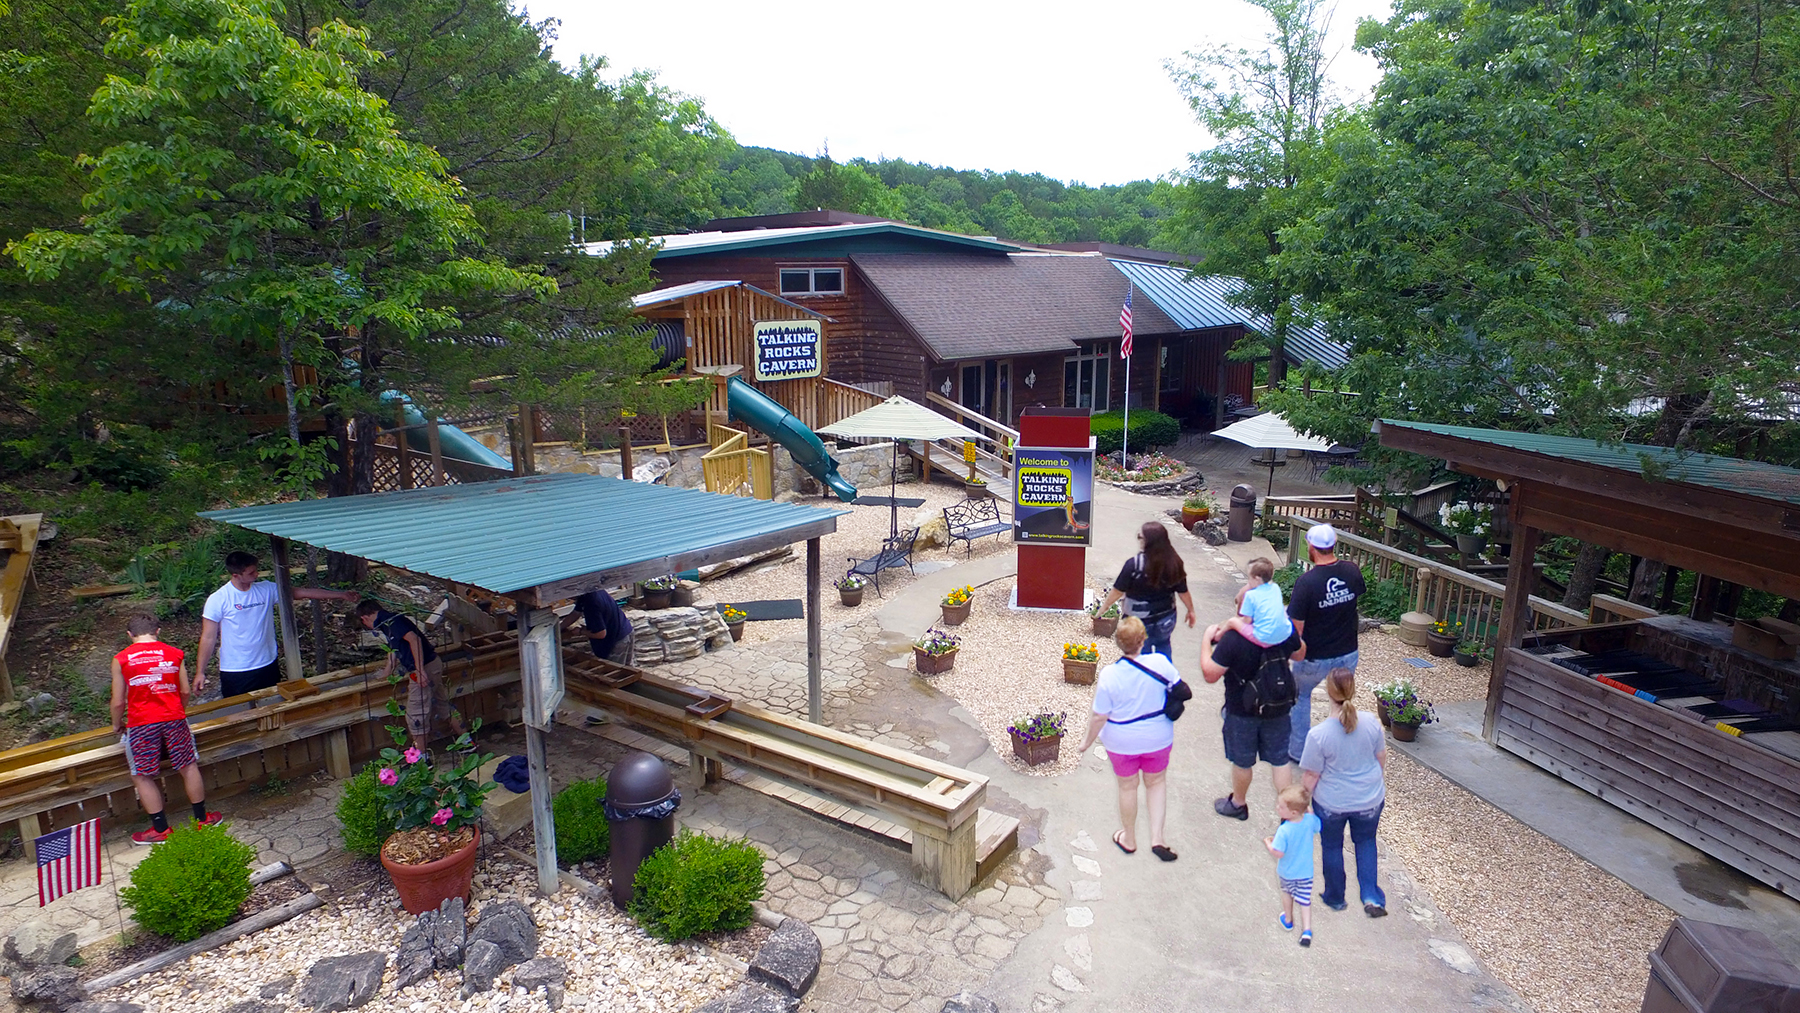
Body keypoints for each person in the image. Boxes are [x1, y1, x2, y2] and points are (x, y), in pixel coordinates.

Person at [1075, 617, 1190, 861]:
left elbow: (1100, 716)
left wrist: (1086, 742)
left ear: (1118, 643)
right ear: (1143, 640)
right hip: (1157, 737)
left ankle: (1128, 838)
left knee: (1127, 786)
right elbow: (1180, 688)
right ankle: (1157, 838)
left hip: (1121, 741)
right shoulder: (1160, 662)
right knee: (1156, 782)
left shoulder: (1109, 675)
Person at [110, 614, 220, 844]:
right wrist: (177, 710)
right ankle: (202, 819)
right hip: (173, 717)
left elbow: (118, 701)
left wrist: (117, 723)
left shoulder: (121, 659)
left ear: (130, 635)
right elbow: (185, 691)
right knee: (188, 765)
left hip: (141, 722)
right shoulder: (174, 653)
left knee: (141, 775)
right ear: (158, 631)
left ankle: (160, 829)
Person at [196, 551, 358, 698]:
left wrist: (341, 595)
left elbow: (301, 592)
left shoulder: (266, 589)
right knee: (239, 712)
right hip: (236, 671)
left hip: (267, 664)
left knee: (273, 706)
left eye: (256, 570)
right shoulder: (218, 599)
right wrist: (200, 672)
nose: (256, 574)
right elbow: (208, 638)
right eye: (251, 573)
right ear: (236, 575)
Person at [1300, 668, 1389, 917]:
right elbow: (1381, 757)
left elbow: (1311, 775)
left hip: (1332, 803)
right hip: (1369, 800)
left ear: (1329, 692)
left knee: (1331, 846)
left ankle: (1335, 896)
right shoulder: (1371, 723)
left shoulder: (1318, 735)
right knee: (1366, 842)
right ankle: (1371, 897)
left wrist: (1304, 800)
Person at [1199, 613, 1303, 820]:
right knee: (1280, 760)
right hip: (1277, 705)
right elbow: (1300, 654)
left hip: (1242, 709)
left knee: (1242, 761)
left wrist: (1206, 640)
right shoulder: (1282, 629)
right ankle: (1289, 813)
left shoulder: (1233, 639)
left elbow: (1210, 674)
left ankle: (1238, 803)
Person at [1286, 524, 1366, 768]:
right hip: (1347, 652)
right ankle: (1340, 749)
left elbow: (1296, 629)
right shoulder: (1352, 571)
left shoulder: (1306, 583)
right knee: (1341, 700)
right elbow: (1354, 601)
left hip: (1315, 656)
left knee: (1300, 696)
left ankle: (1298, 751)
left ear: (1311, 547)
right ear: (1334, 544)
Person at [356, 599, 466, 752]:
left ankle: (421, 758)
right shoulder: (388, 621)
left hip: (424, 668)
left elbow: (415, 640)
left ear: (364, 618)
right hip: (432, 665)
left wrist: (419, 670)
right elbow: (394, 650)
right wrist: (386, 672)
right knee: (443, 706)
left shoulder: (391, 621)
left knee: (415, 715)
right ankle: (467, 742)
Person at [1097, 522, 1196, 659]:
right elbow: (1183, 591)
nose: (1139, 540)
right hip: (1165, 618)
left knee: (1140, 653)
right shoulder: (1174, 562)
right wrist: (1191, 610)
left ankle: (1144, 671)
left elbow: (1118, 591)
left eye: (1140, 537)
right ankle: (1164, 671)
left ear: (1148, 541)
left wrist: (1104, 607)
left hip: (1138, 620)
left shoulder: (1133, 565)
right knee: (1164, 645)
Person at [1265, 784, 1321, 947]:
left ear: (1294, 812)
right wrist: (1310, 812)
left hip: (1287, 872)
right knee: (1304, 900)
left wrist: (1269, 844)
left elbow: (1278, 853)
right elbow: (1318, 827)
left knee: (1286, 893)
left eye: (1281, 807)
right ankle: (1307, 930)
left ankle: (1288, 919)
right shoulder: (1309, 821)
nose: (1277, 808)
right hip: (1306, 872)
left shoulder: (1284, 830)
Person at [1222, 557, 1294, 647]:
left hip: (1265, 638)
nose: (1248, 582)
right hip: (1285, 633)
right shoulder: (1275, 588)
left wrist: (1238, 620)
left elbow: (1247, 621)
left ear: (1257, 579)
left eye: (1249, 578)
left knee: (1232, 622)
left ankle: (1215, 636)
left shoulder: (1250, 595)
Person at [569, 588, 634, 663]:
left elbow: (601, 634)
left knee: (614, 668)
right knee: (627, 667)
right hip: (626, 630)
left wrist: (581, 631)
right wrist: (560, 627)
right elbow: (576, 613)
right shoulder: (589, 591)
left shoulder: (591, 603)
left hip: (617, 640)